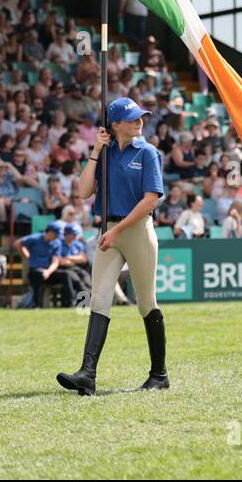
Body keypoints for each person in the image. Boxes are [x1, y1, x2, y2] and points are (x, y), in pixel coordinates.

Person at [57, 97, 167, 396]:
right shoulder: (103, 154)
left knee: (146, 302)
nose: (140, 121)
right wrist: (95, 151)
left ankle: (159, 374)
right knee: (99, 300)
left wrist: (117, 231)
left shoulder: (148, 153)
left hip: (135, 230)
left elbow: (150, 201)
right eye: (133, 118)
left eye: (141, 117)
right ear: (115, 125)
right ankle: (87, 374)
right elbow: (83, 191)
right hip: (109, 231)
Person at [17, 222, 63, 308]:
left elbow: (55, 262)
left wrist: (48, 272)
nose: (57, 237)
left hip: (49, 271)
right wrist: (25, 255)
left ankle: (68, 303)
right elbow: (18, 243)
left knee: (66, 275)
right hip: (35, 271)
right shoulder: (35, 238)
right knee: (38, 275)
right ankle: (35, 304)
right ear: (50, 232)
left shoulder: (57, 243)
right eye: (56, 235)